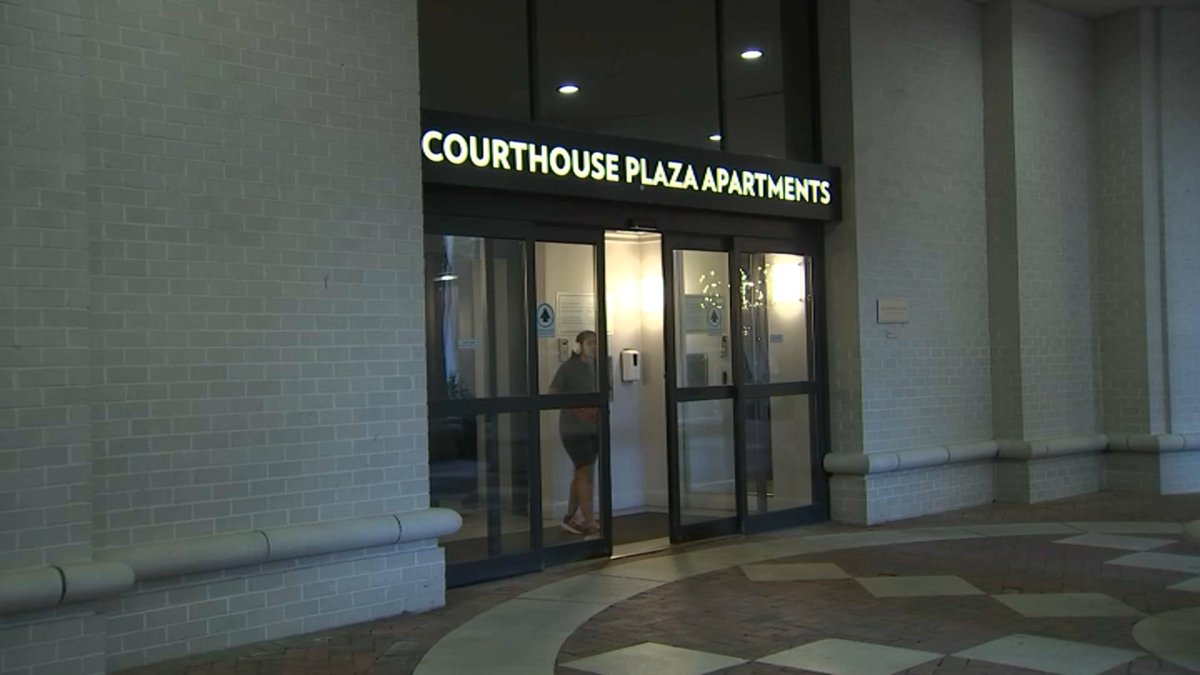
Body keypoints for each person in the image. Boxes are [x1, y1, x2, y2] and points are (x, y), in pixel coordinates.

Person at [549, 330, 600, 536]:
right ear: (579, 345)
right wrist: (578, 406)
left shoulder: (599, 367)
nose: (594, 346)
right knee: (585, 471)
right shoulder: (569, 367)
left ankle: (570, 517)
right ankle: (590, 521)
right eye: (590, 343)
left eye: (596, 343)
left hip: (595, 426)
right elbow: (553, 392)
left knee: (582, 473)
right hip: (574, 427)